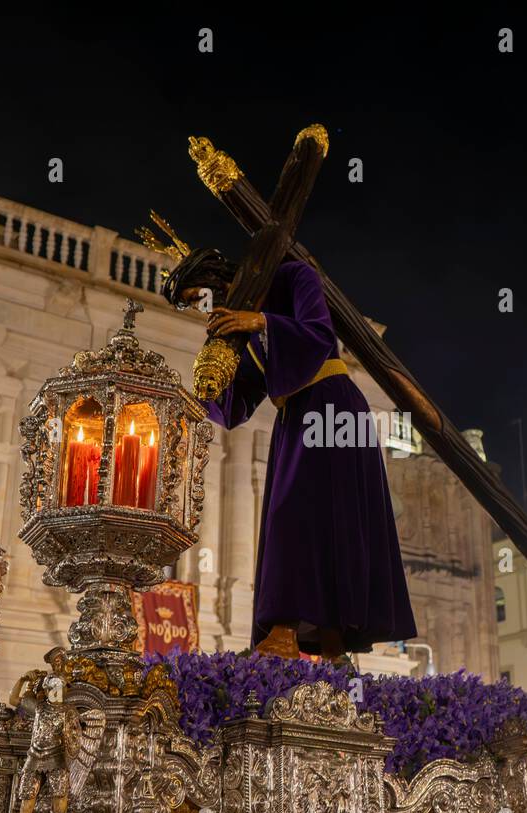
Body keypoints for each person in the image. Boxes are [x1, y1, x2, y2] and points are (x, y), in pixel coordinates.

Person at [162, 248, 416, 660]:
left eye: (201, 296)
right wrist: (199, 397)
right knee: (315, 517)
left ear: (219, 280)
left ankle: (284, 630)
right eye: (196, 305)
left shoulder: (295, 276)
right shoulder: (241, 335)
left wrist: (260, 321)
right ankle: (331, 646)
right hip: (295, 415)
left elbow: (319, 335)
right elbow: (238, 405)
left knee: (297, 511)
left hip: (332, 405)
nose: (204, 307)